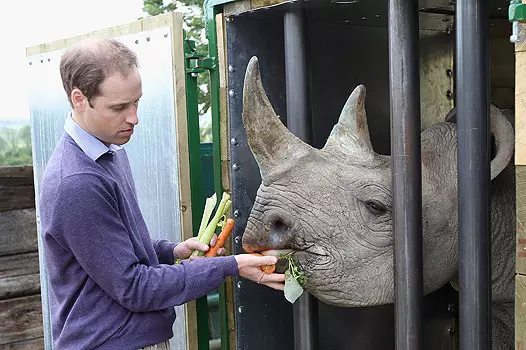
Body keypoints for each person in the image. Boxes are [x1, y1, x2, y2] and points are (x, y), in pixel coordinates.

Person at [39, 38, 285, 350]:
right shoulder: (76, 182)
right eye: (119, 107)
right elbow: (134, 288)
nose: (134, 118)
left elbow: (112, 252)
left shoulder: (108, 150)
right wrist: (230, 266)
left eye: (136, 103)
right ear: (79, 99)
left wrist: (170, 251)